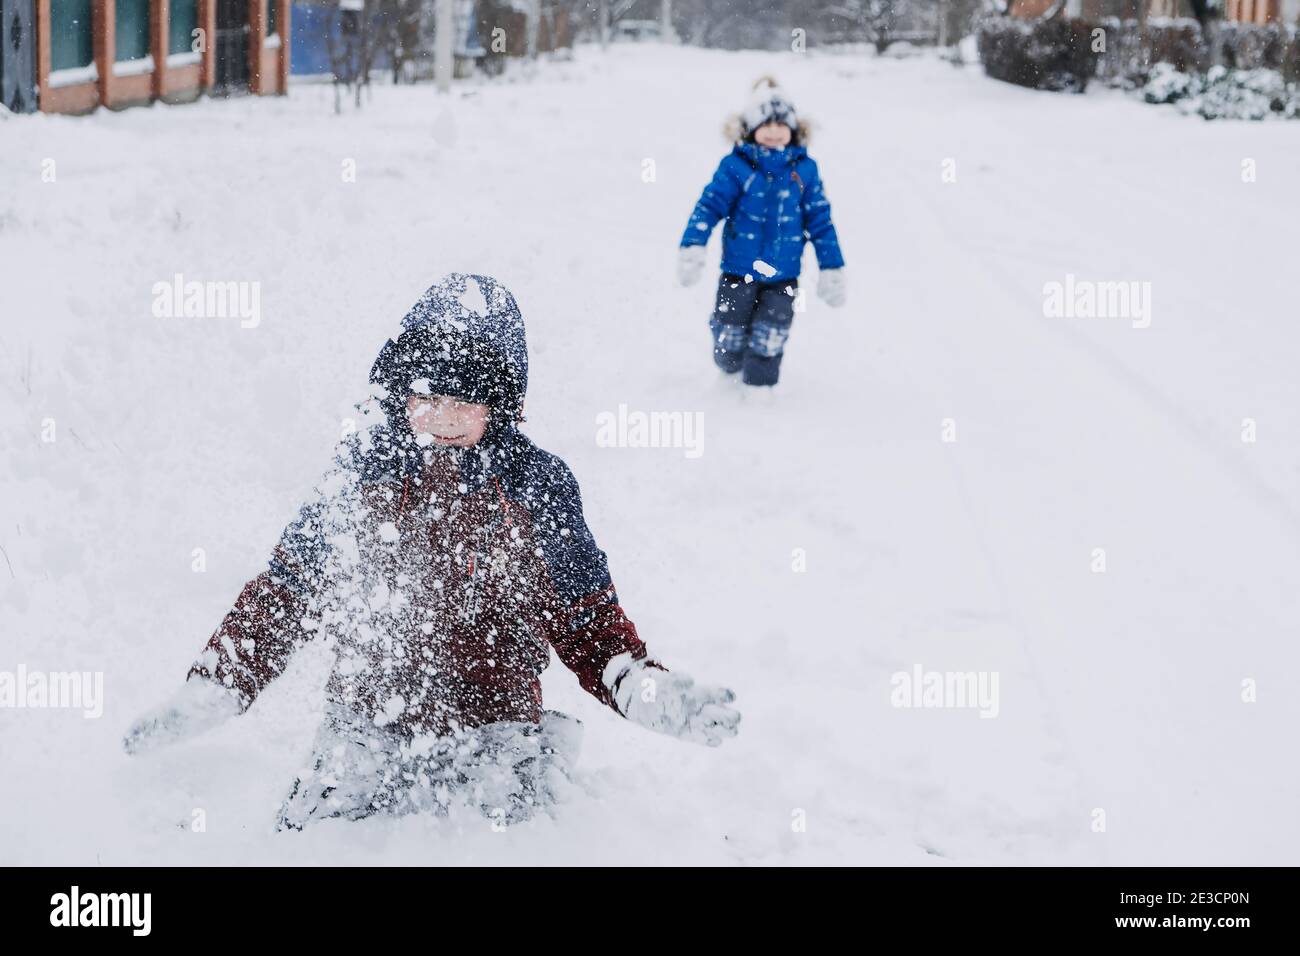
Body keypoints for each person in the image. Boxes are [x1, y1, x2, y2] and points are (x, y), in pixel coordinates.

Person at [123, 273, 741, 829]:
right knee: (318, 832)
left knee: (508, 839)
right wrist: (220, 684)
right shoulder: (365, 474)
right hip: (370, 711)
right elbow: (290, 590)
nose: (443, 418)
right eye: (428, 397)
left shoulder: (536, 490)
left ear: (499, 406)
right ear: (402, 395)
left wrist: (641, 687)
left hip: (496, 718)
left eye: (465, 401)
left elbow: (585, 623)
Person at [678, 76, 846, 387]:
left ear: (793, 129)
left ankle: (759, 389)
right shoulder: (735, 167)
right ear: (750, 128)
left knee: (772, 335)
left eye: (781, 124)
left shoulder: (804, 171)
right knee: (729, 334)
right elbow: (710, 206)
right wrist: (693, 244)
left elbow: (821, 221)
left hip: (783, 275)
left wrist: (832, 266)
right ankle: (728, 372)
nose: (773, 131)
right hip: (738, 272)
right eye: (765, 124)